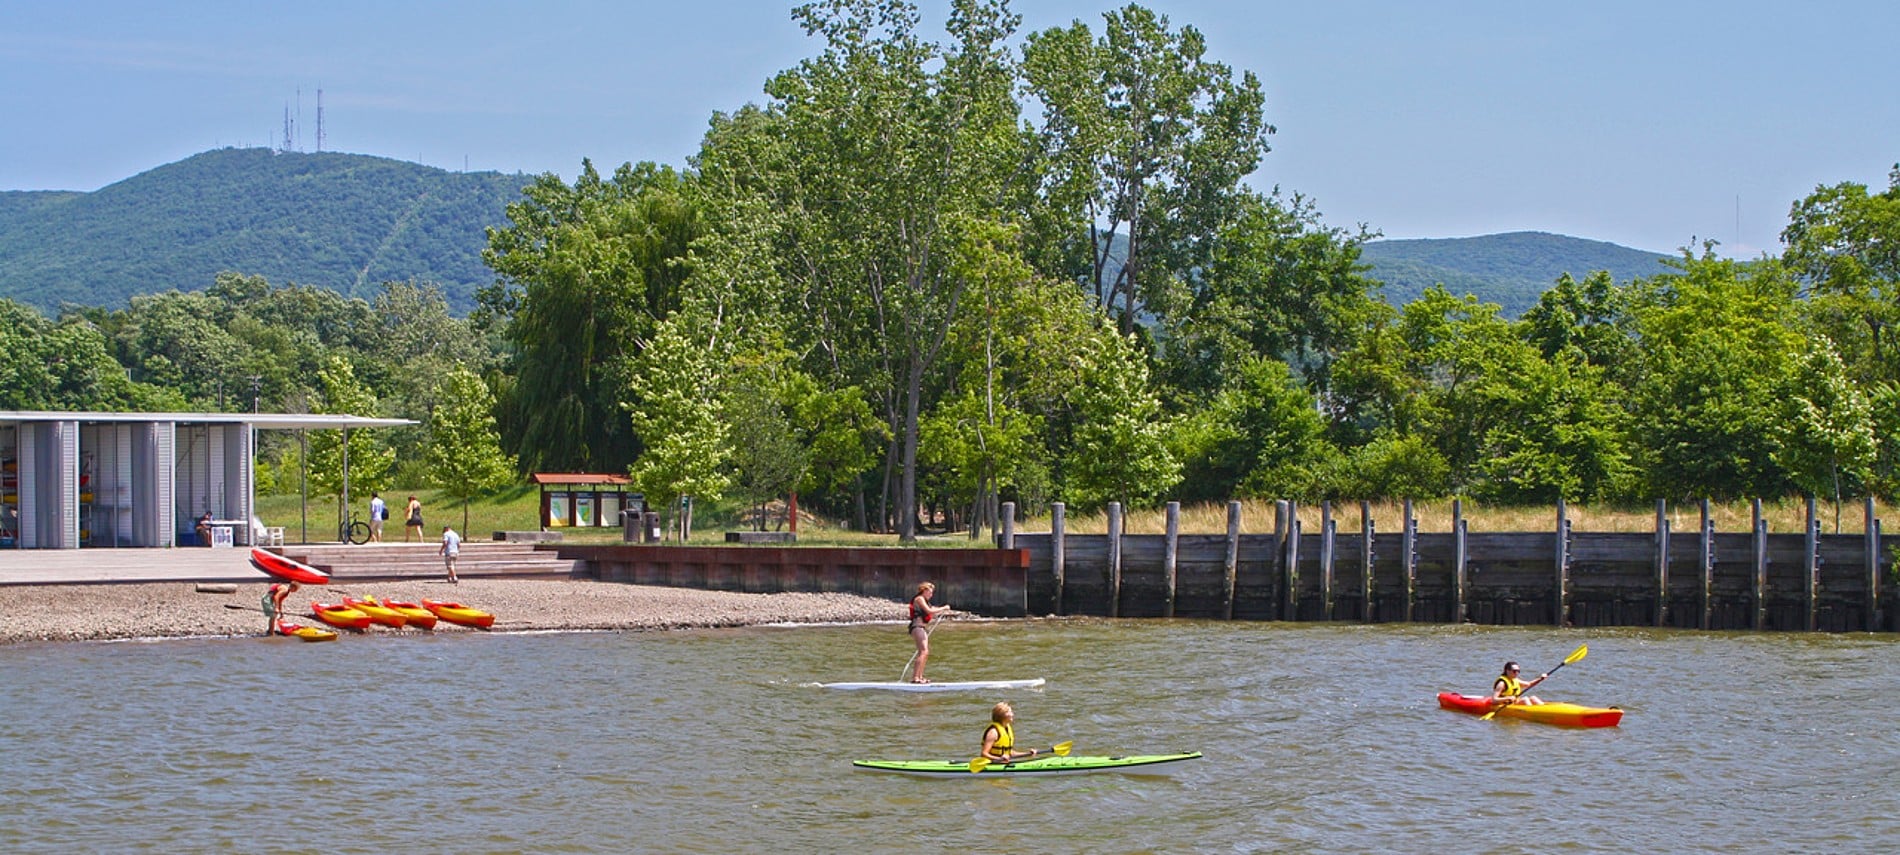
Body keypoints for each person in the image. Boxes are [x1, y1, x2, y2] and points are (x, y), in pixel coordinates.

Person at [906, 581, 951, 684]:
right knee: (923, 651)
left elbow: (932, 609)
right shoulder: (919, 598)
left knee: (925, 652)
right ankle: (915, 678)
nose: (931, 595)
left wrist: (942, 609)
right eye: (930, 592)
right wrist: (944, 608)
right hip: (917, 626)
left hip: (921, 627)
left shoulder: (925, 601)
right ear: (924, 591)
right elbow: (929, 611)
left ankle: (920, 677)